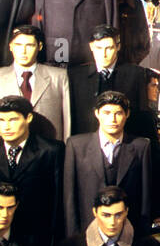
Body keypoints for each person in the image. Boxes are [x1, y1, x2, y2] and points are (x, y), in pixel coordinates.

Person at [0, 95, 64, 246]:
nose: (6, 127)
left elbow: (57, 201)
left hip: (37, 239)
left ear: (29, 118)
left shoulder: (51, 151)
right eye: (1, 120)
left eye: (13, 120)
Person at [63, 91, 152, 236]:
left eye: (118, 113)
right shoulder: (76, 145)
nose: (113, 119)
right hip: (88, 229)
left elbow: (146, 197)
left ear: (127, 114)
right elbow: (69, 197)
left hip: (128, 229)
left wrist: (142, 233)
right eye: (107, 113)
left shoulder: (141, 146)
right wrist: (73, 236)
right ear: (97, 113)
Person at [0, 23, 71, 142]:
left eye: (29, 45)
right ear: (10, 46)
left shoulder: (59, 77)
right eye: (18, 45)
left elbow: (67, 120)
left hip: (48, 151)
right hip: (3, 152)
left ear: (39, 46)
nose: (23, 51)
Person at [69, 26, 150, 139]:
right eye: (99, 48)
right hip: (86, 147)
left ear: (118, 47)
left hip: (125, 146)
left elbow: (143, 116)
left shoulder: (136, 74)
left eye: (109, 48)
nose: (104, 54)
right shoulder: (75, 76)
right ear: (91, 47)